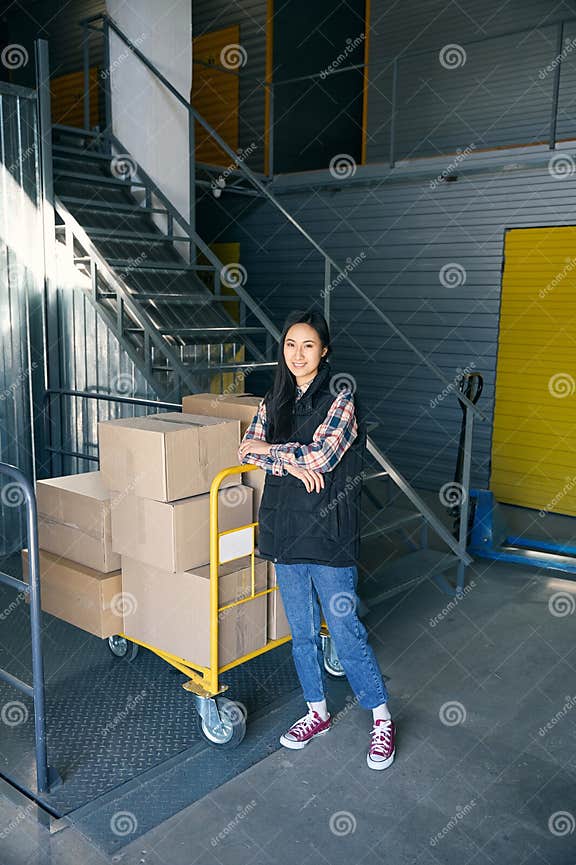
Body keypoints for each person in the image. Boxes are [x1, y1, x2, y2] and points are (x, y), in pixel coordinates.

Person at [237, 309, 396, 771]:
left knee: (345, 632)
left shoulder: (340, 399)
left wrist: (272, 453)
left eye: (308, 345)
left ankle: (381, 717)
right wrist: (286, 461)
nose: (298, 354)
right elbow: (244, 449)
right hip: (284, 531)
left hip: (329, 535)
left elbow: (323, 456)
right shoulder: (274, 399)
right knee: (302, 634)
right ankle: (316, 712)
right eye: (290, 344)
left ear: (324, 352)